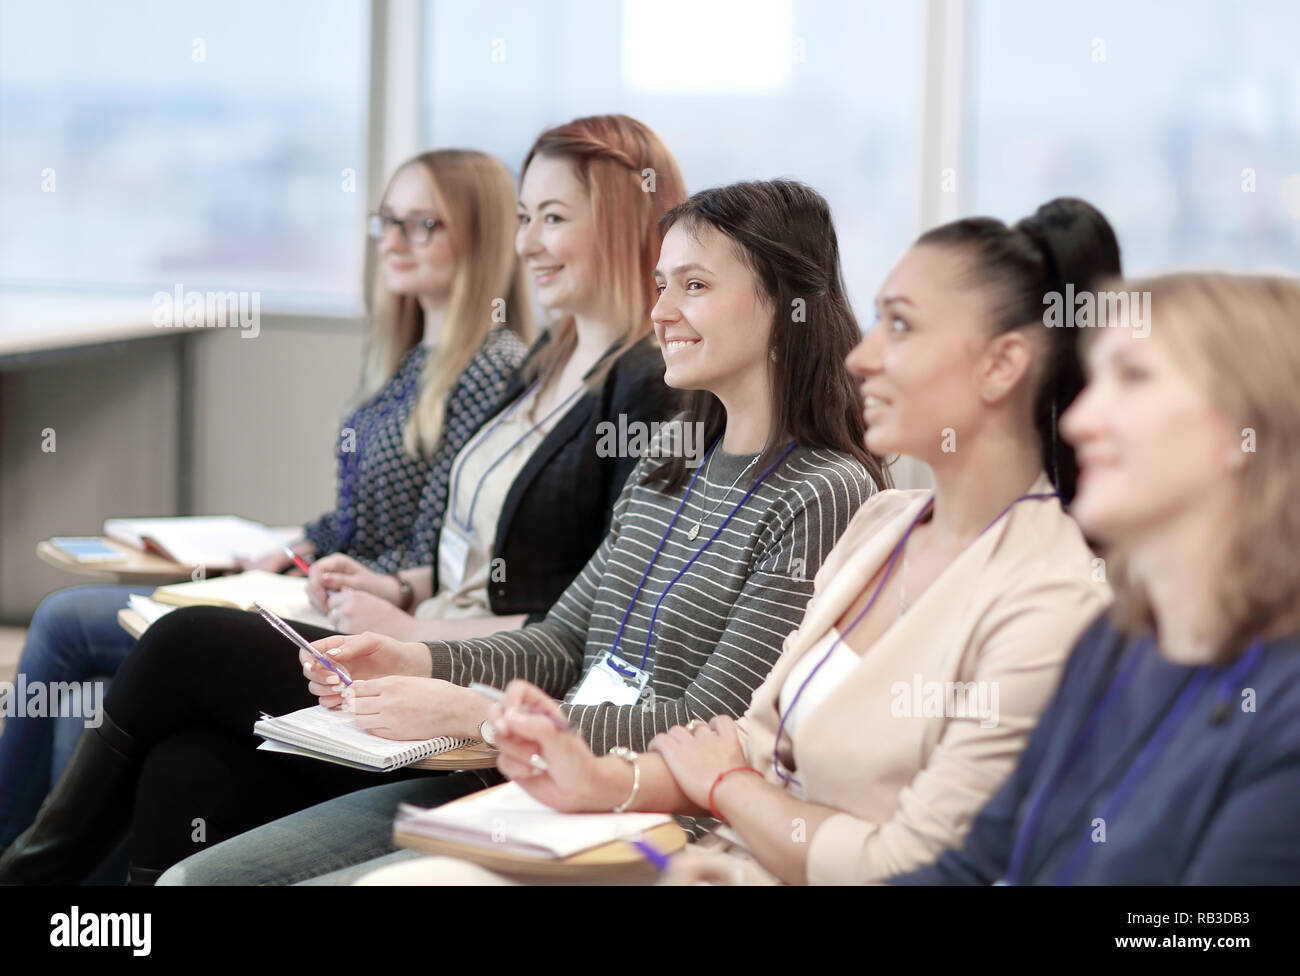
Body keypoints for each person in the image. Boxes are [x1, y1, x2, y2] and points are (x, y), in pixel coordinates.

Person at [0, 113, 686, 885]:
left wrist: (413, 626)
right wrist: (402, 594)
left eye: (552, 219)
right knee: (183, 771)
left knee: (181, 643)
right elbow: (455, 544)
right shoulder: (545, 361)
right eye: (525, 218)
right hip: (424, 637)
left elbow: (595, 623)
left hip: (469, 681)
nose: (528, 242)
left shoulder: (642, 388)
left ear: (625, 220)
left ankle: (28, 874)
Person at [358, 198, 1123, 887]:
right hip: (693, 850)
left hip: (700, 849)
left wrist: (479, 715)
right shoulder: (884, 526)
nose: (864, 355)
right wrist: (599, 783)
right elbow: (741, 740)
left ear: (1001, 365)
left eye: (902, 326)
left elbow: (903, 864)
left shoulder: (1040, 592)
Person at [156, 178, 889, 886]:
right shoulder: (670, 460)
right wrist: (412, 659)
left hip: (650, 818)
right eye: (661, 283)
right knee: (198, 877)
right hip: (535, 779)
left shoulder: (824, 491)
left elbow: (712, 724)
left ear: (788, 302)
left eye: (694, 286)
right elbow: (561, 643)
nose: (661, 310)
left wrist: (479, 712)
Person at [883, 272, 1300, 884]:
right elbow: (972, 868)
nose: (1077, 421)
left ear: (1248, 428)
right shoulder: (1111, 643)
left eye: (1133, 377)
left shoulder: (1285, 713)